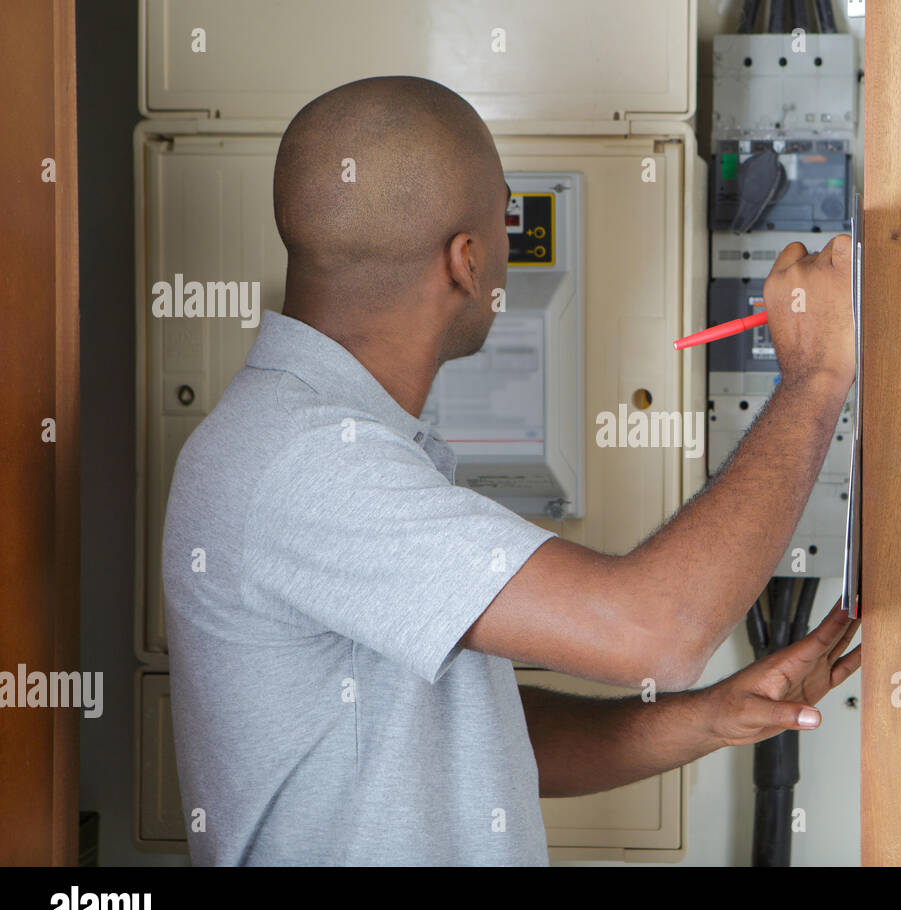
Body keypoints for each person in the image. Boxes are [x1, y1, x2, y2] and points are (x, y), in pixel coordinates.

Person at [163, 75, 860, 865]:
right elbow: (656, 632)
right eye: (504, 224)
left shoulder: (325, 443)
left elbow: (463, 729)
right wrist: (814, 375)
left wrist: (708, 717)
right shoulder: (313, 464)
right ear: (466, 261)